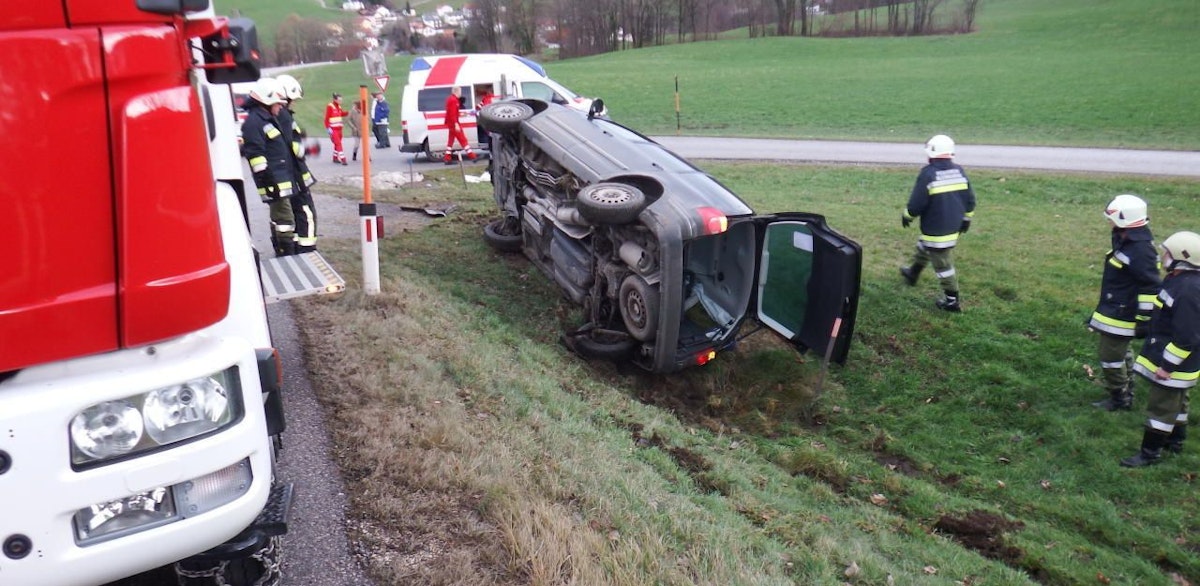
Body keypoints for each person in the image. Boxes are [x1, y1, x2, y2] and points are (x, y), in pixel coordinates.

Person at [1120, 231, 1200, 467]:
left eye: (1167, 253)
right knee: (1178, 402)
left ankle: (1149, 453)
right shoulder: (1180, 280)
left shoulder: (1188, 291)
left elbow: (1187, 337)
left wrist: (1167, 367)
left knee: (1162, 406)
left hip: (1175, 364)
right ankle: (1175, 441)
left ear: (1182, 258)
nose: (1162, 255)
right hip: (1176, 360)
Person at [1088, 194, 1160, 411]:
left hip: (1123, 314)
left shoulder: (1139, 250)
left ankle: (1120, 398)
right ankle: (1126, 391)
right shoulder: (1127, 239)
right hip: (1116, 310)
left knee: (1110, 357)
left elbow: (1150, 288)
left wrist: (1144, 320)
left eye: (1111, 219)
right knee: (1120, 353)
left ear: (1123, 219)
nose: (1109, 223)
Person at [899, 134, 977, 312]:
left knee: (942, 263)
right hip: (954, 224)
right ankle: (913, 273)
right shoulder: (959, 171)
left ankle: (952, 300)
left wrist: (907, 215)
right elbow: (970, 200)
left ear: (931, 153)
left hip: (937, 229)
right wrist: (967, 219)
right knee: (923, 245)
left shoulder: (928, 174)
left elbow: (917, 203)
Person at [240, 78, 296, 256]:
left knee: (281, 218)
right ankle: (286, 253)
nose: (281, 107)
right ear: (267, 100)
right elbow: (255, 155)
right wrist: (267, 180)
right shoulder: (254, 123)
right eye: (278, 103)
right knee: (285, 220)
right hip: (273, 182)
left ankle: (283, 249)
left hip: (278, 181)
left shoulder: (265, 119)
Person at [275, 74, 318, 253]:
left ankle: (290, 249)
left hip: (284, 176)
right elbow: (295, 149)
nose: (293, 103)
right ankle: (307, 250)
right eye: (293, 100)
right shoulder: (285, 117)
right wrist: (310, 147)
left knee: (289, 215)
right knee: (306, 213)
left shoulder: (272, 116)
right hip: (295, 176)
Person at [443, 86, 476, 164]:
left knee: (450, 141)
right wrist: (456, 124)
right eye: (460, 91)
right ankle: (472, 156)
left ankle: (447, 158)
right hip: (453, 123)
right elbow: (452, 114)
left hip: (451, 123)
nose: (461, 93)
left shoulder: (451, 99)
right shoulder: (454, 100)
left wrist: (463, 114)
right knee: (463, 139)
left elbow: (454, 112)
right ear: (456, 91)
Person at [324, 92, 348, 165]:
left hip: (339, 129)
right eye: (339, 100)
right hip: (333, 129)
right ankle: (343, 159)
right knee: (338, 143)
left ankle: (335, 157)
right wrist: (328, 128)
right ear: (335, 100)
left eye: (341, 100)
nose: (341, 101)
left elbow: (341, 113)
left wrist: (348, 112)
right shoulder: (330, 106)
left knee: (336, 144)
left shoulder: (339, 107)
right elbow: (326, 118)